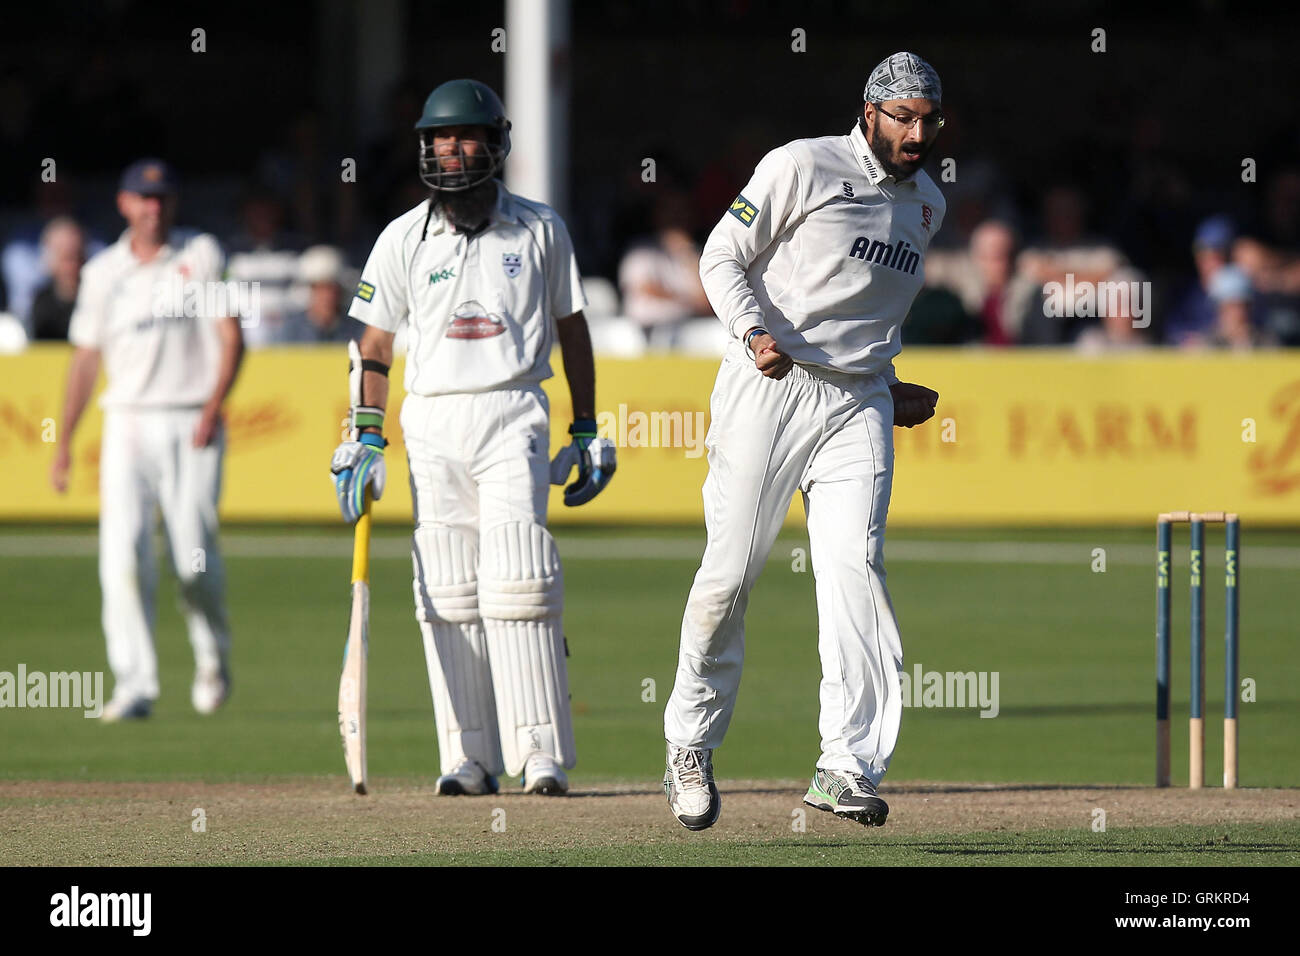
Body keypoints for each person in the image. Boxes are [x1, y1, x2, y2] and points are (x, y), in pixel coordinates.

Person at [662, 52, 946, 830]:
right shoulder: (802, 165)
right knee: (728, 574)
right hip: (770, 383)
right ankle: (688, 744)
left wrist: (888, 388)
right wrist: (753, 332)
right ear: (868, 112)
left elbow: (867, 315)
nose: (917, 132)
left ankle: (845, 765)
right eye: (904, 117)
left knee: (855, 569)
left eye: (928, 119)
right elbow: (721, 253)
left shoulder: (928, 205)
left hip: (858, 405)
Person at [330, 79, 615, 796]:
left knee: (519, 576)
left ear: (496, 144)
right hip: (430, 420)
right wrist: (365, 439)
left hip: (513, 408)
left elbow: (572, 331)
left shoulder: (541, 229)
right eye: (438, 139)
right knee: (448, 587)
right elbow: (374, 344)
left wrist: (586, 428)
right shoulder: (401, 237)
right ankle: (468, 756)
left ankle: (541, 753)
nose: (450, 152)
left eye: (464, 139)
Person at [50, 159, 244, 721]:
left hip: (191, 419)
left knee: (193, 558)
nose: (152, 208)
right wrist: (63, 442)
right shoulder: (104, 271)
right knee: (123, 554)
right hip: (128, 420)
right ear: (124, 203)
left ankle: (212, 657)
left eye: (161, 199)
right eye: (142, 198)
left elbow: (231, 335)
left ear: (172, 204)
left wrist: (213, 404)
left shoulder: (200, 254)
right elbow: (87, 358)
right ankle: (135, 683)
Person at [279, 245, 365, 344]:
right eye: (319, 288)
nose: (326, 296)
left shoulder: (356, 330)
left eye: (331, 288)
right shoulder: (291, 331)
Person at [29, 217, 87, 341]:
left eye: (78, 256)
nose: (73, 266)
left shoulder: (98, 297)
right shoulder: (41, 303)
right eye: (67, 258)